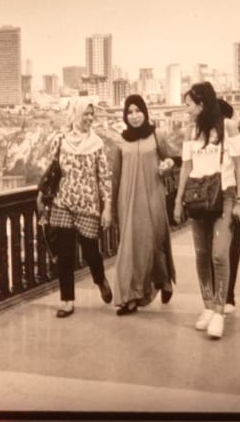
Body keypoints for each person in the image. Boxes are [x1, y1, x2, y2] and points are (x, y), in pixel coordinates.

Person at [175, 81, 240, 339]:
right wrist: (178, 200)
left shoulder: (228, 126)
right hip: (197, 198)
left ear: (202, 105)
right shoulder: (190, 131)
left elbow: (239, 166)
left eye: (189, 105)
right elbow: (185, 166)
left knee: (219, 253)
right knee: (202, 254)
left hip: (224, 195)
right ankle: (207, 306)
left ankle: (219, 310)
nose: (187, 110)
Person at [43, 96, 115, 318]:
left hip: (88, 205)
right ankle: (67, 300)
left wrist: (107, 207)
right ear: (75, 115)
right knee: (65, 254)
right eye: (86, 113)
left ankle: (100, 279)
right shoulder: (61, 140)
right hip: (62, 203)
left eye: (92, 114)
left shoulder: (97, 144)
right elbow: (52, 169)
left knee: (91, 251)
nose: (90, 118)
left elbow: (104, 177)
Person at [109, 94, 178, 315]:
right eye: (129, 112)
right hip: (128, 201)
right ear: (125, 116)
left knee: (154, 244)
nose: (134, 116)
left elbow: (172, 161)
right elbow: (115, 177)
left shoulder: (157, 136)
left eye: (138, 110)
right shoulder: (120, 142)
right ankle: (130, 297)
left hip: (153, 197)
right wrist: (111, 208)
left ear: (145, 112)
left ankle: (164, 280)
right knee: (130, 248)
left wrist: (167, 166)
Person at [217, 98, 240, 315]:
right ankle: (223, 293)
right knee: (221, 249)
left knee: (232, 246)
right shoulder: (209, 135)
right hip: (217, 199)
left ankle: (228, 293)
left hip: (236, 198)